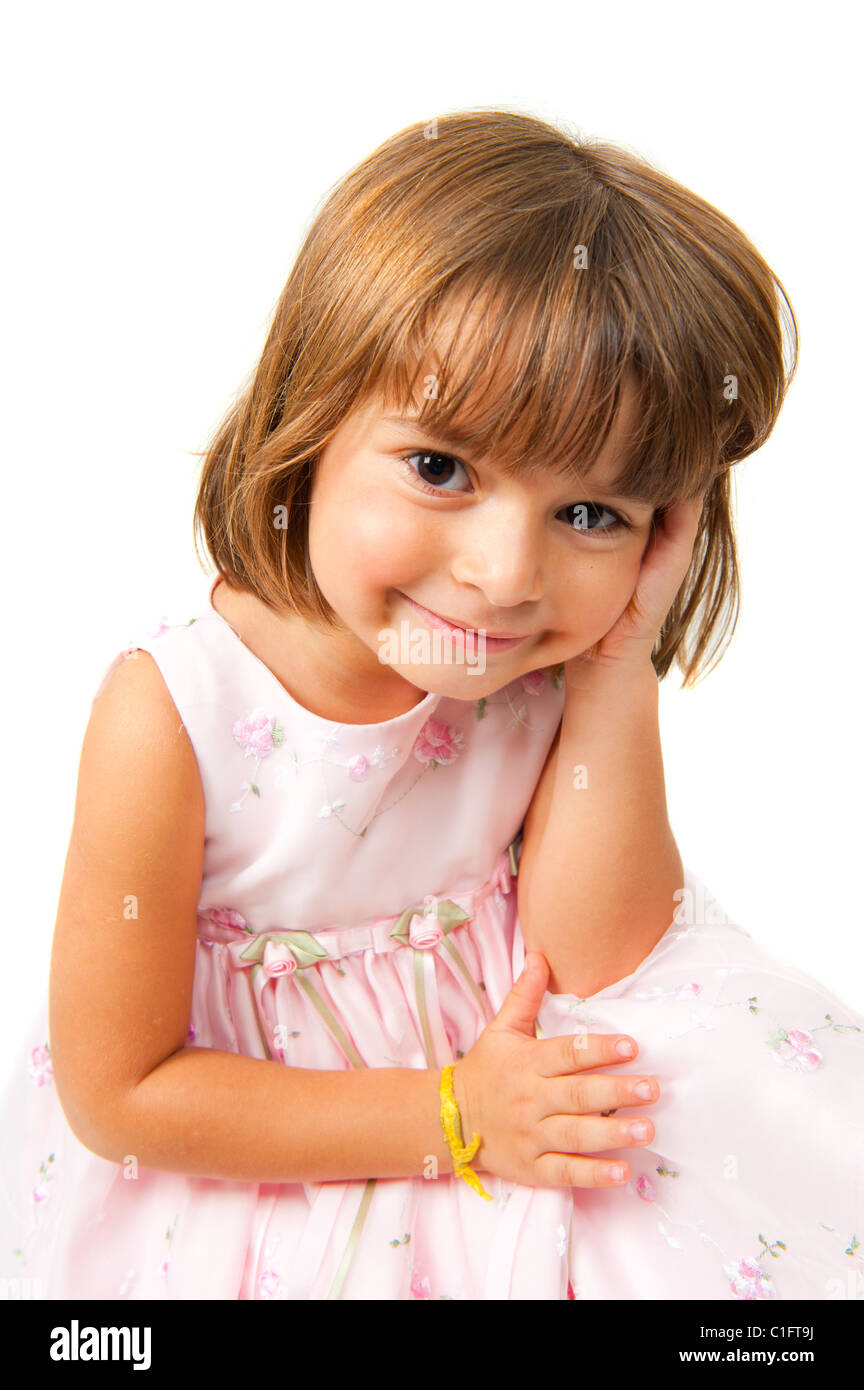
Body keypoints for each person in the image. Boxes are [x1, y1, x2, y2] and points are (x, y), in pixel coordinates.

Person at [2, 108, 862, 1302]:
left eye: (592, 514)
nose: (506, 575)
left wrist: (619, 661)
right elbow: (122, 1095)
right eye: (441, 468)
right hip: (271, 1160)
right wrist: (451, 1112)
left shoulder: (538, 673)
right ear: (308, 417)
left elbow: (601, 958)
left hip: (508, 1094)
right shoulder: (175, 716)